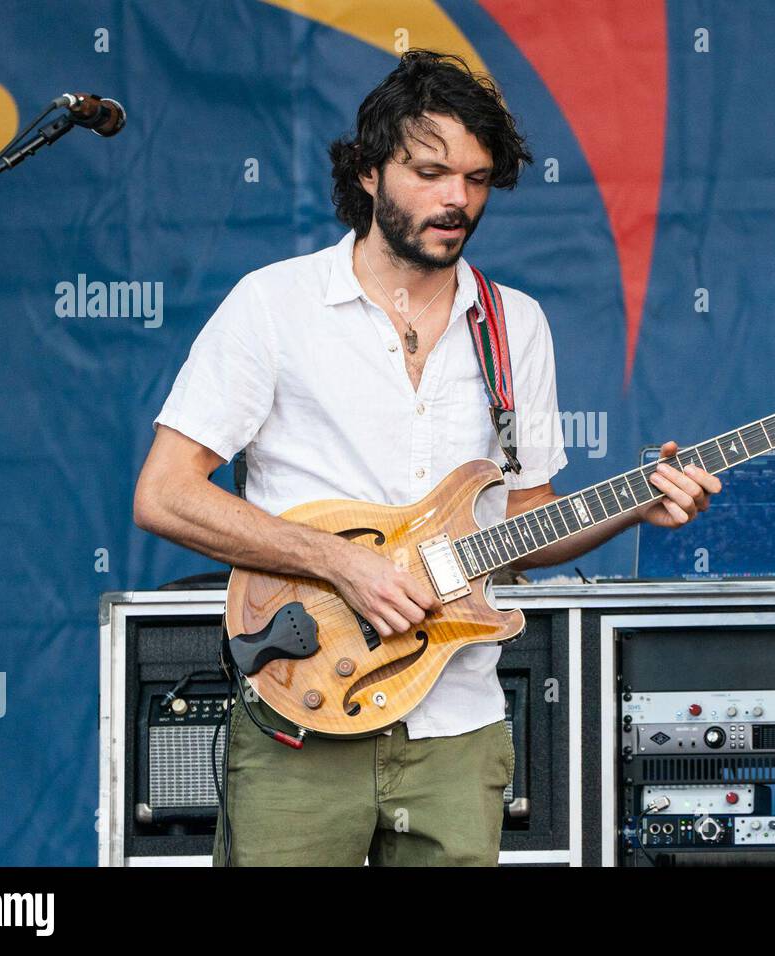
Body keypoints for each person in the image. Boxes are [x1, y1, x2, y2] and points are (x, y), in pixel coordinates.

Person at [132, 49, 722, 866]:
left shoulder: (515, 324)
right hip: (302, 707)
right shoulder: (273, 307)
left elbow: (523, 524)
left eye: (477, 179)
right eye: (430, 171)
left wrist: (635, 504)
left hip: (457, 728)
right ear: (370, 172)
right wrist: (342, 565)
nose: (457, 199)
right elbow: (164, 494)